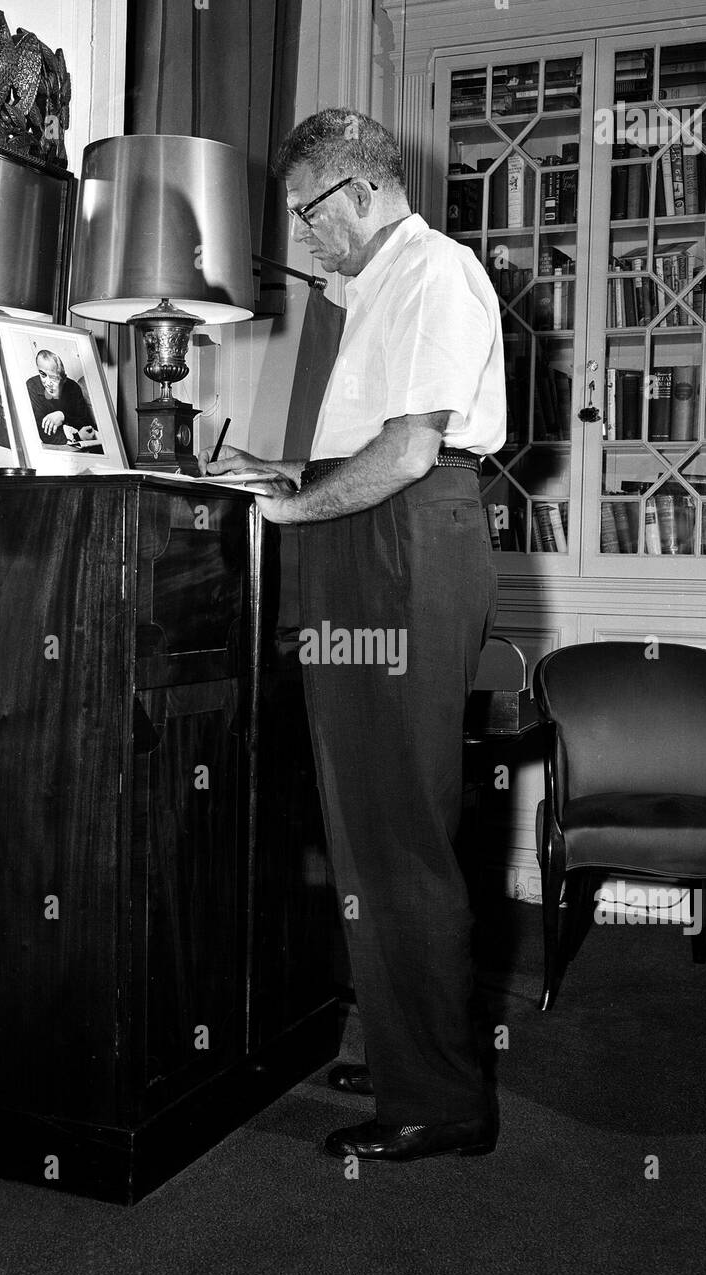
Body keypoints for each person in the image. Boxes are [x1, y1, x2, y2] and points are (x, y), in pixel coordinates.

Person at [199, 109, 506, 1163]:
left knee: (399, 830)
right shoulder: (370, 289)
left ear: (362, 194)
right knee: (360, 822)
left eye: (307, 211)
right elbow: (359, 442)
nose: (301, 235)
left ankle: (444, 1103)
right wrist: (289, 481)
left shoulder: (434, 272)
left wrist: (285, 511)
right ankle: (404, 1045)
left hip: (404, 549)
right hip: (366, 544)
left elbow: (412, 450)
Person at [26, 350, 97, 446]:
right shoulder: (32, 385)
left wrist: (63, 416)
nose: (47, 383)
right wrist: (76, 436)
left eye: (53, 378)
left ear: (64, 379)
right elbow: (43, 435)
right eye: (43, 374)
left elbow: (85, 426)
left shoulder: (74, 387)